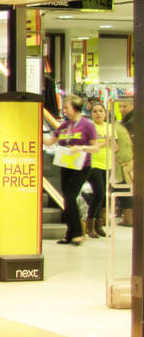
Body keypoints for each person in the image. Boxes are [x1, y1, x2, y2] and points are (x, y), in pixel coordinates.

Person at [44, 93, 96, 247]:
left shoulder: (87, 125)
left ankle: (78, 232)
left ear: (75, 108)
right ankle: (70, 234)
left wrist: (82, 147)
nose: (64, 110)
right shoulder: (65, 126)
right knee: (67, 198)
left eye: (67, 107)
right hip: (66, 164)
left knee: (71, 196)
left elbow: (96, 147)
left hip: (81, 165)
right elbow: (50, 141)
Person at [87, 102, 114, 238]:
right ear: (91, 114)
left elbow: (115, 146)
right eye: (95, 111)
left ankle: (99, 225)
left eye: (100, 111)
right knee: (99, 193)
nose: (98, 114)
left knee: (103, 196)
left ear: (105, 113)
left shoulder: (110, 128)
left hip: (107, 164)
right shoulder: (90, 127)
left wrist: (113, 145)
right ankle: (90, 225)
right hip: (93, 164)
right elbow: (92, 145)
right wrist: (105, 142)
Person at [113, 108, 134, 227]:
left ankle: (128, 219)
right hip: (126, 164)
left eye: (124, 106)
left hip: (121, 165)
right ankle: (128, 218)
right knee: (125, 191)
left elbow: (116, 148)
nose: (122, 109)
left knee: (123, 191)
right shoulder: (121, 127)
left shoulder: (113, 129)